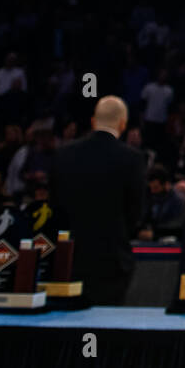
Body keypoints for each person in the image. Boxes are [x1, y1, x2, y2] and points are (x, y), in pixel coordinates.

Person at [49, 96, 147, 305]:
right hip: (111, 260)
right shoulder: (133, 159)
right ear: (123, 124)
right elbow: (135, 213)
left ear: (93, 121)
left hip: (70, 259)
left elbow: (55, 208)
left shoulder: (63, 155)